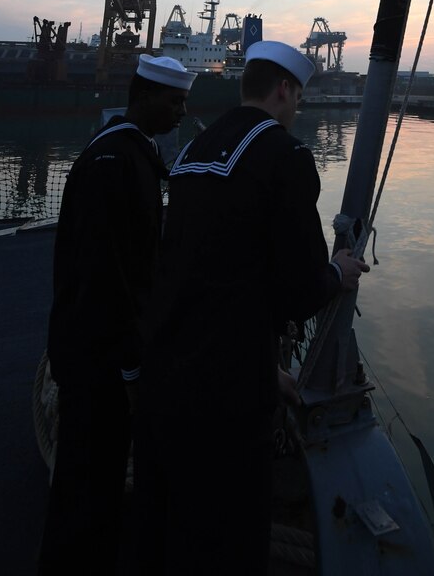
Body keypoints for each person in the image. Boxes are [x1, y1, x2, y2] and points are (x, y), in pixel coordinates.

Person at [134, 40, 368, 575]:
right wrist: (339, 272)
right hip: (226, 400)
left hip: (163, 379)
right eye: (299, 98)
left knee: (161, 534)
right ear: (284, 90)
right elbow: (298, 291)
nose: (298, 109)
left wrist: (269, 371)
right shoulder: (284, 156)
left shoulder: (192, 153)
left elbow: (201, 274)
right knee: (231, 539)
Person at [38, 53, 195, 576]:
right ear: (145, 96)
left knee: (97, 484)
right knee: (87, 485)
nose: (182, 111)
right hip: (98, 363)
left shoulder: (125, 153)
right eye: (174, 101)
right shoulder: (117, 164)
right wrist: (131, 369)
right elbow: (110, 280)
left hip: (94, 353)